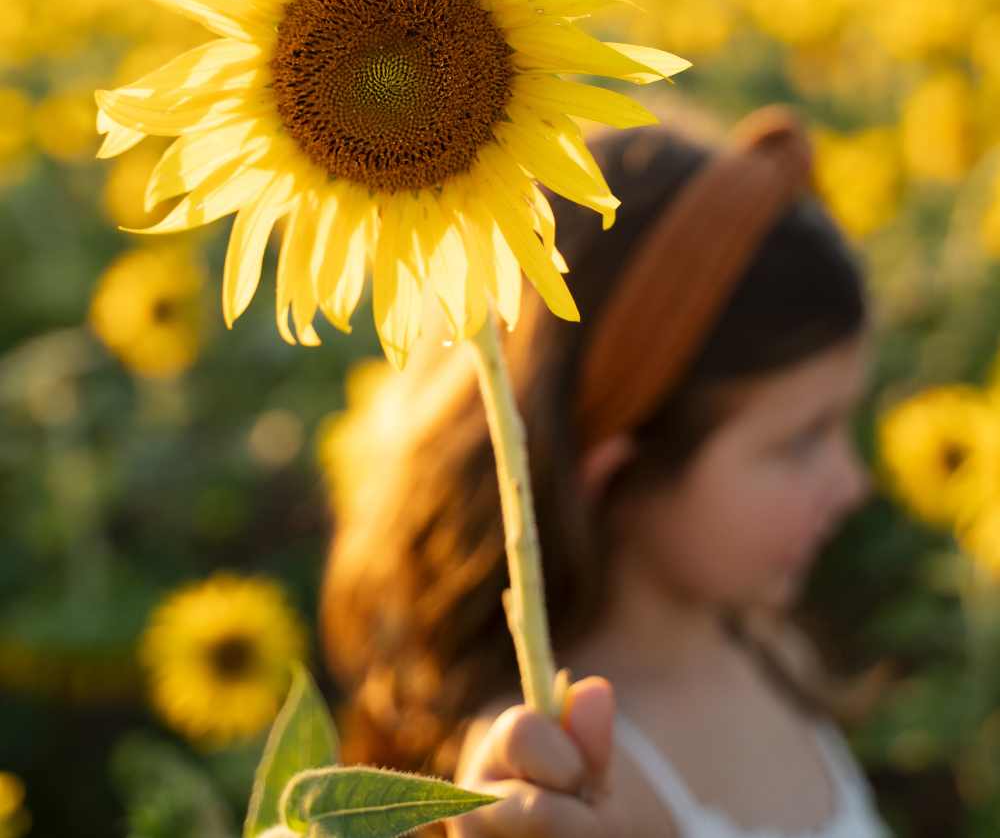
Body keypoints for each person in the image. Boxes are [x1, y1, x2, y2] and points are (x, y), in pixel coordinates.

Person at [319, 100, 895, 837]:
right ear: (617, 471)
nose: (853, 483)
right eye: (800, 441)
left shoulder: (764, 646)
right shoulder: (564, 776)